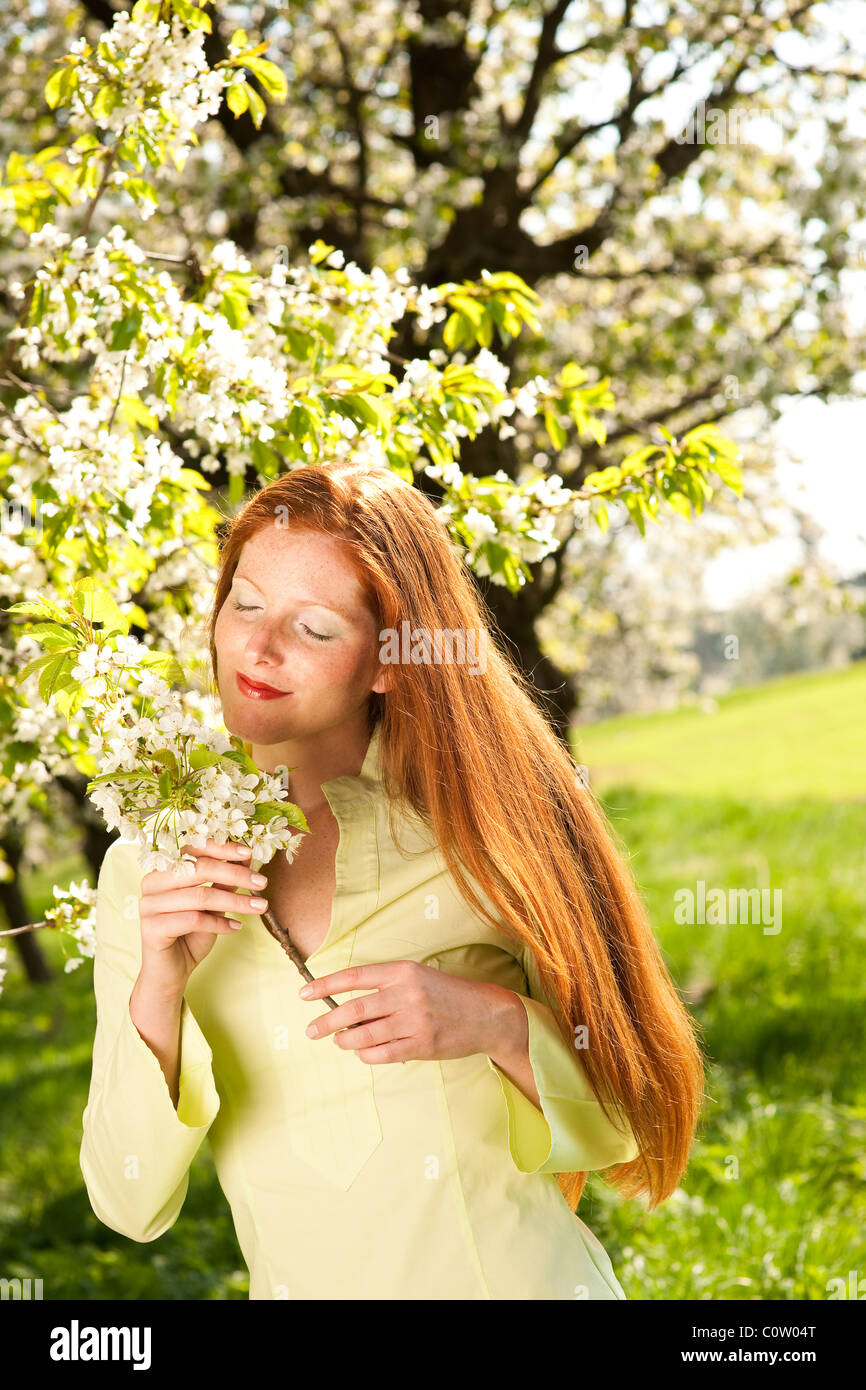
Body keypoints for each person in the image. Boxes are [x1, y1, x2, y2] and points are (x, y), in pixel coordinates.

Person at [79, 460, 706, 1299]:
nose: (259, 649)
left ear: (390, 661)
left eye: (317, 629)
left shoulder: (489, 828)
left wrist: (493, 1023)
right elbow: (128, 1204)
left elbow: (638, 1119)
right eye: (247, 603)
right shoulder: (146, 871)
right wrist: (158, 989)